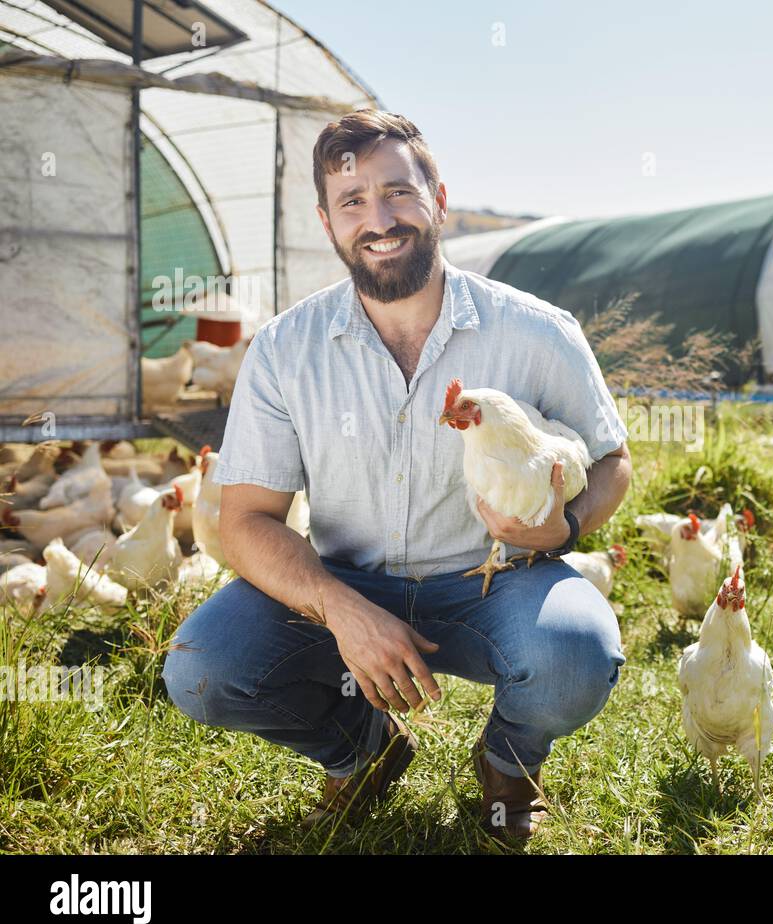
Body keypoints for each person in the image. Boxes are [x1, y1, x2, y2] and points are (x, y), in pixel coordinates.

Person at [162, 109, 631, 842]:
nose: (377, 220)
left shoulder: (536, 330)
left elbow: (612, 462)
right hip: (346, 583)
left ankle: (509, 764)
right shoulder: (286, 350)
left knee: (576, 655)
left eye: (397, 193)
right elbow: (245, 518)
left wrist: (566, 526)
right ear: (328, 223)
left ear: (439, 200)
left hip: (497, 583)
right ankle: (361, 751)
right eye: (352, 202)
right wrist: (338, 608)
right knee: (204, 668)